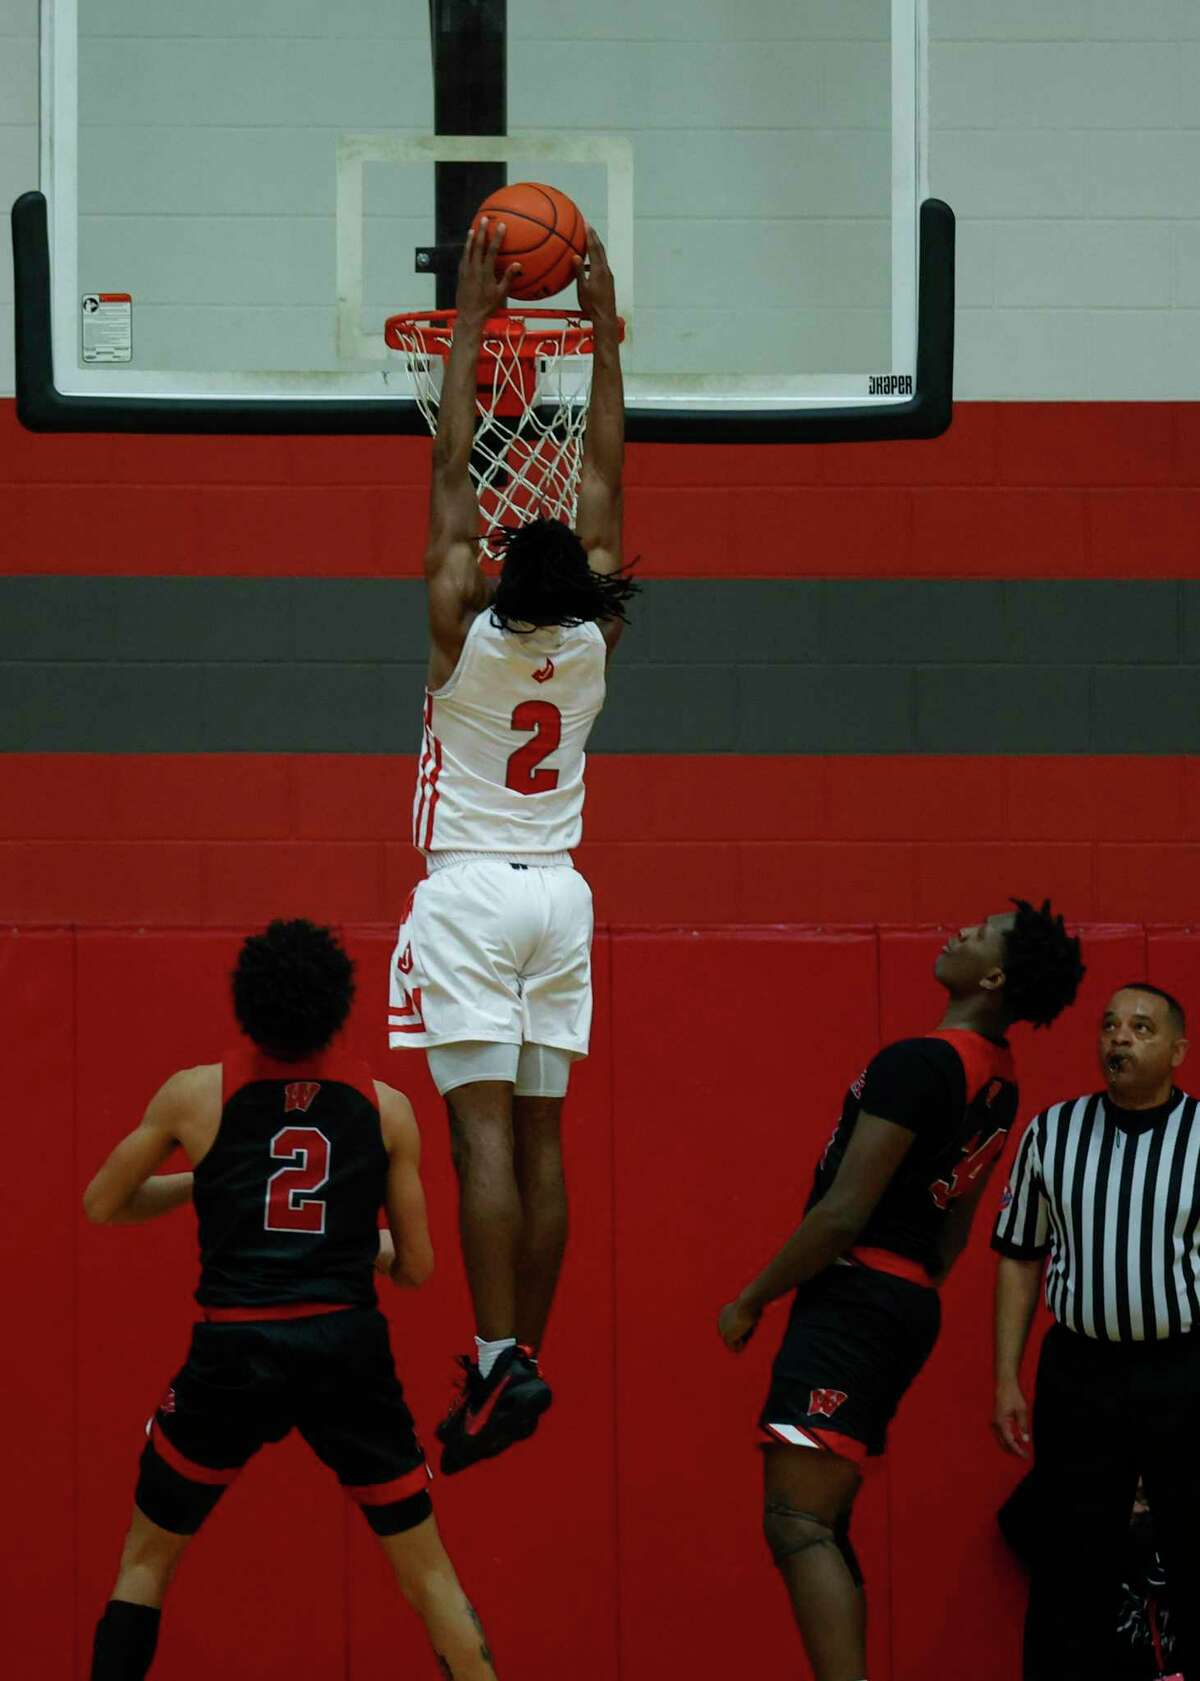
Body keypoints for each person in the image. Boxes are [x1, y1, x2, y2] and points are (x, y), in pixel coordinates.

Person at [83, 919, 498, 1681]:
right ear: (338, 1005)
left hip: (235, 1350)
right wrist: (351, 1247)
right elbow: (416, 1268)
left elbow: (103, 1202)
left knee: (145, 1563)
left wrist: (205, 1183)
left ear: (249, 1002)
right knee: (429, 1576)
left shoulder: (194, 1093)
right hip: (345, 1348)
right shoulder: (386, 1108)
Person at [387, 219, 635, 1475]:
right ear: (584, 586)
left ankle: (494, 1352)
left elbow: (448, 481)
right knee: (543, 1138)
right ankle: (520, 1353)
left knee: (478, 1136)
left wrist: (475, 332)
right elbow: (601, 479)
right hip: (565, 893)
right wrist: (600, 335)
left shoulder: (459, 630)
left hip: (471, 892)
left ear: (490, 575)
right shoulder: (595, 642)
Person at [718, 900, 1085, 1681]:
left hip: (858, 1299)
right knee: (826, 1519)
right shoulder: (999, 1079)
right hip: (906, 1297)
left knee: (797, 1518)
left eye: (980, 933)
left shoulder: (918, 1063)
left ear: (992, 976)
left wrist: (752, 1296)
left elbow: (842, 1212)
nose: (957, 929)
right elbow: (953, 1234)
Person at [993, 981, 1199, 1681]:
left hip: (1185, 1367)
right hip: (1080, 1371)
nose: (1119, 1037)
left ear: (1177, 1050)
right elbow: (1020, 1257)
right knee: (1071, 1557)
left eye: (1141, 1027)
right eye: (1110, 1025)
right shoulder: (1051, 1133)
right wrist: (1005, 1377)